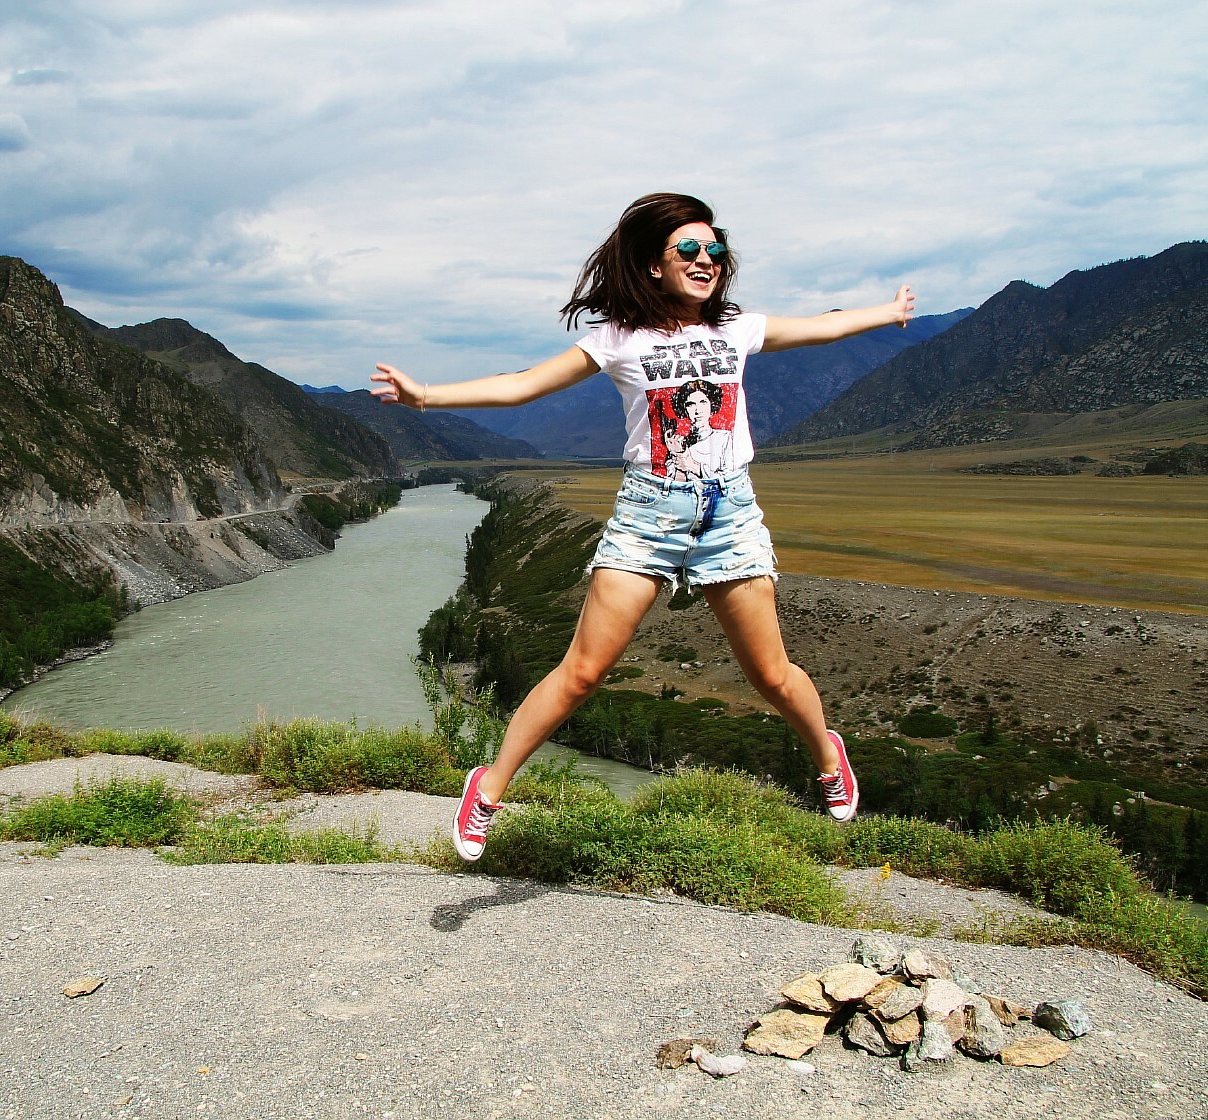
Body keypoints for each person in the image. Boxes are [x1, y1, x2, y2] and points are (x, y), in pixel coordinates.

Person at [371, 192, 915, 860]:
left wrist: (888, 314)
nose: (706, 259)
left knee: (771, 676)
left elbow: (822, 327)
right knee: (582, 672)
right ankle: (487, 788)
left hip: (729, 512)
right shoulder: (617, 339)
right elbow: (523, 384)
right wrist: (424, 396)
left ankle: (828, 758)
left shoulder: (737, 328)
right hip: (649, 513)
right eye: (688, 249)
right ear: (654, 266)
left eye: (715, 249)